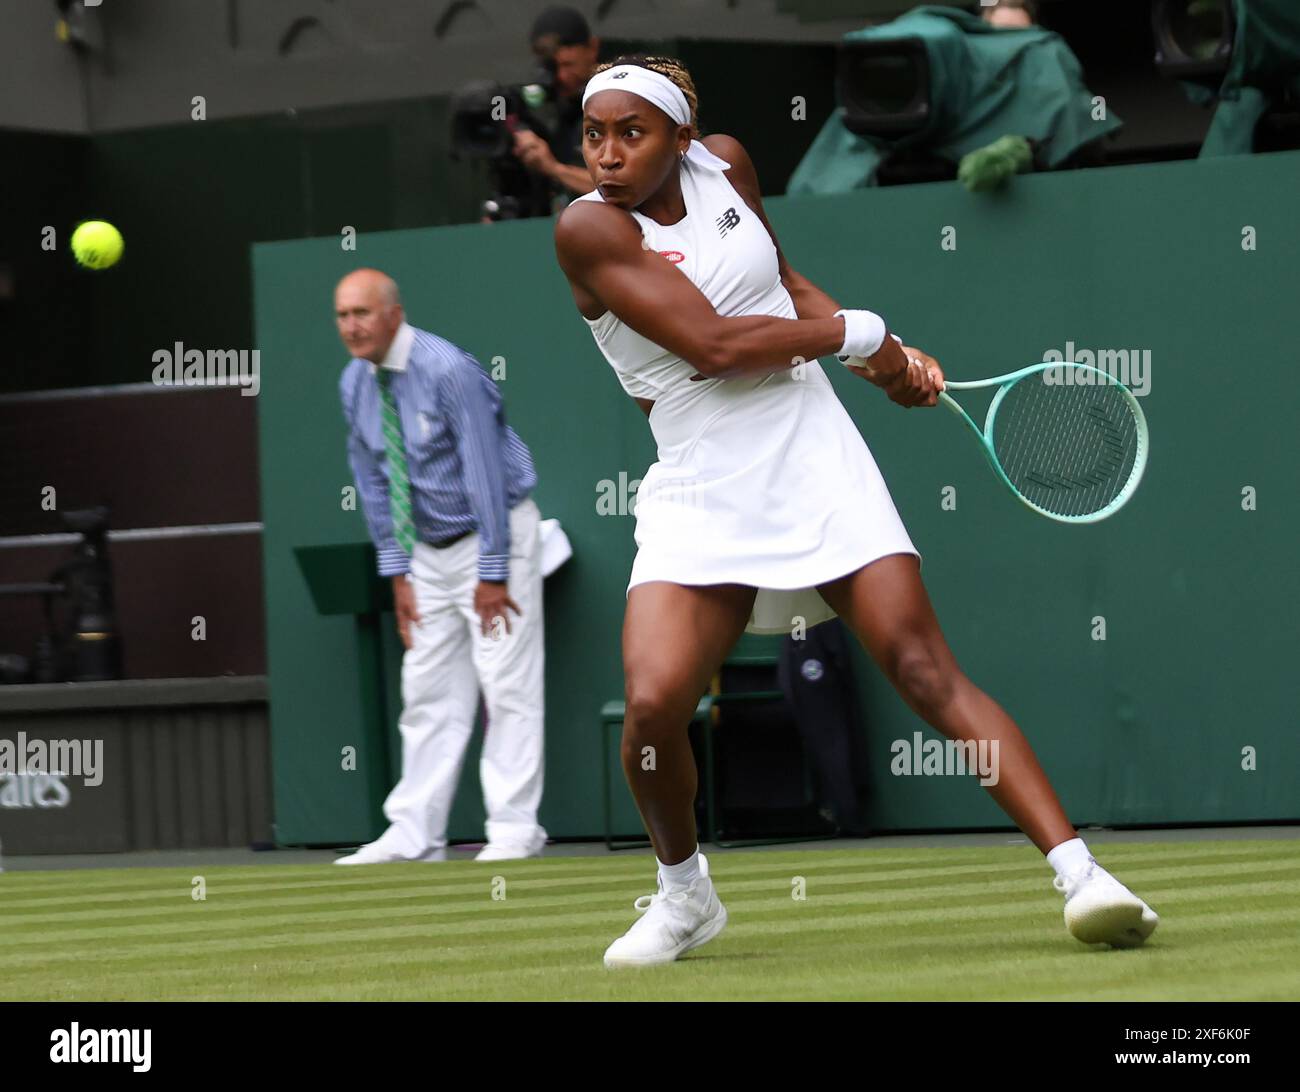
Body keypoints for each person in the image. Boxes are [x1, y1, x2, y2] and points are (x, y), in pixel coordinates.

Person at [552, 56, 1158, 966]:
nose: (606, 154)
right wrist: (855, 333)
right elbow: (716, 346)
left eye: (630, 133)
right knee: (651, 705)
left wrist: (884, 360)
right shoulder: (586, 231)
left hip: (812, 449)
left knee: (923, 667)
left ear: (680, 137)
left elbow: (784, 286)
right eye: (593, 135)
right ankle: (685, 896)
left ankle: (1084, 876)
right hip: (698, 475)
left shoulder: (725, 165)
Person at [333, 268, 547, 864]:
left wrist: (494, 570)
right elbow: (372, 481)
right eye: (343, 315)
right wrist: (397, 572)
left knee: (506, 686)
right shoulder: (355, 383)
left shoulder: (449, 369)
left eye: (362, 313)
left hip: (493, 534)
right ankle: (414, 834)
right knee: (425, 690)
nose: (351, 326)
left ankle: (513, 830)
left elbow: (485, 469)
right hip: (424, 553)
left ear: (394, 314)